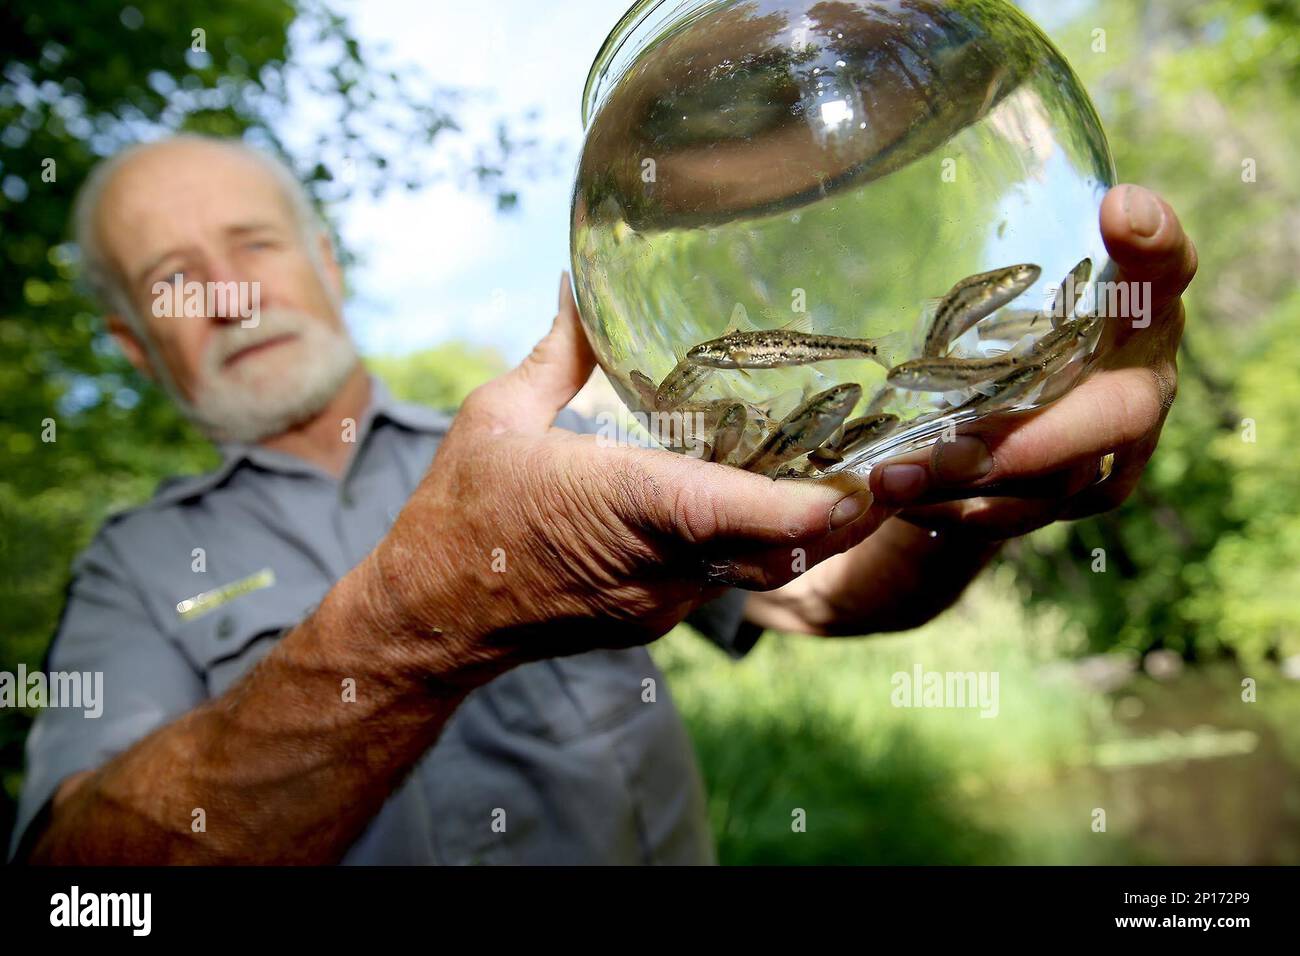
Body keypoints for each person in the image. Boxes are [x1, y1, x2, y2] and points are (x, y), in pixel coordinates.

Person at [9, 135, 1196, 864]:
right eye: (174, 280)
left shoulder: (584, 438)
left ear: (326, 255)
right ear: (127, 342)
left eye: (253, 246)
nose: (227, 297)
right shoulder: (130, 565)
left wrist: (972, 485)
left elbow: (826, 593)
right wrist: (423, 620)